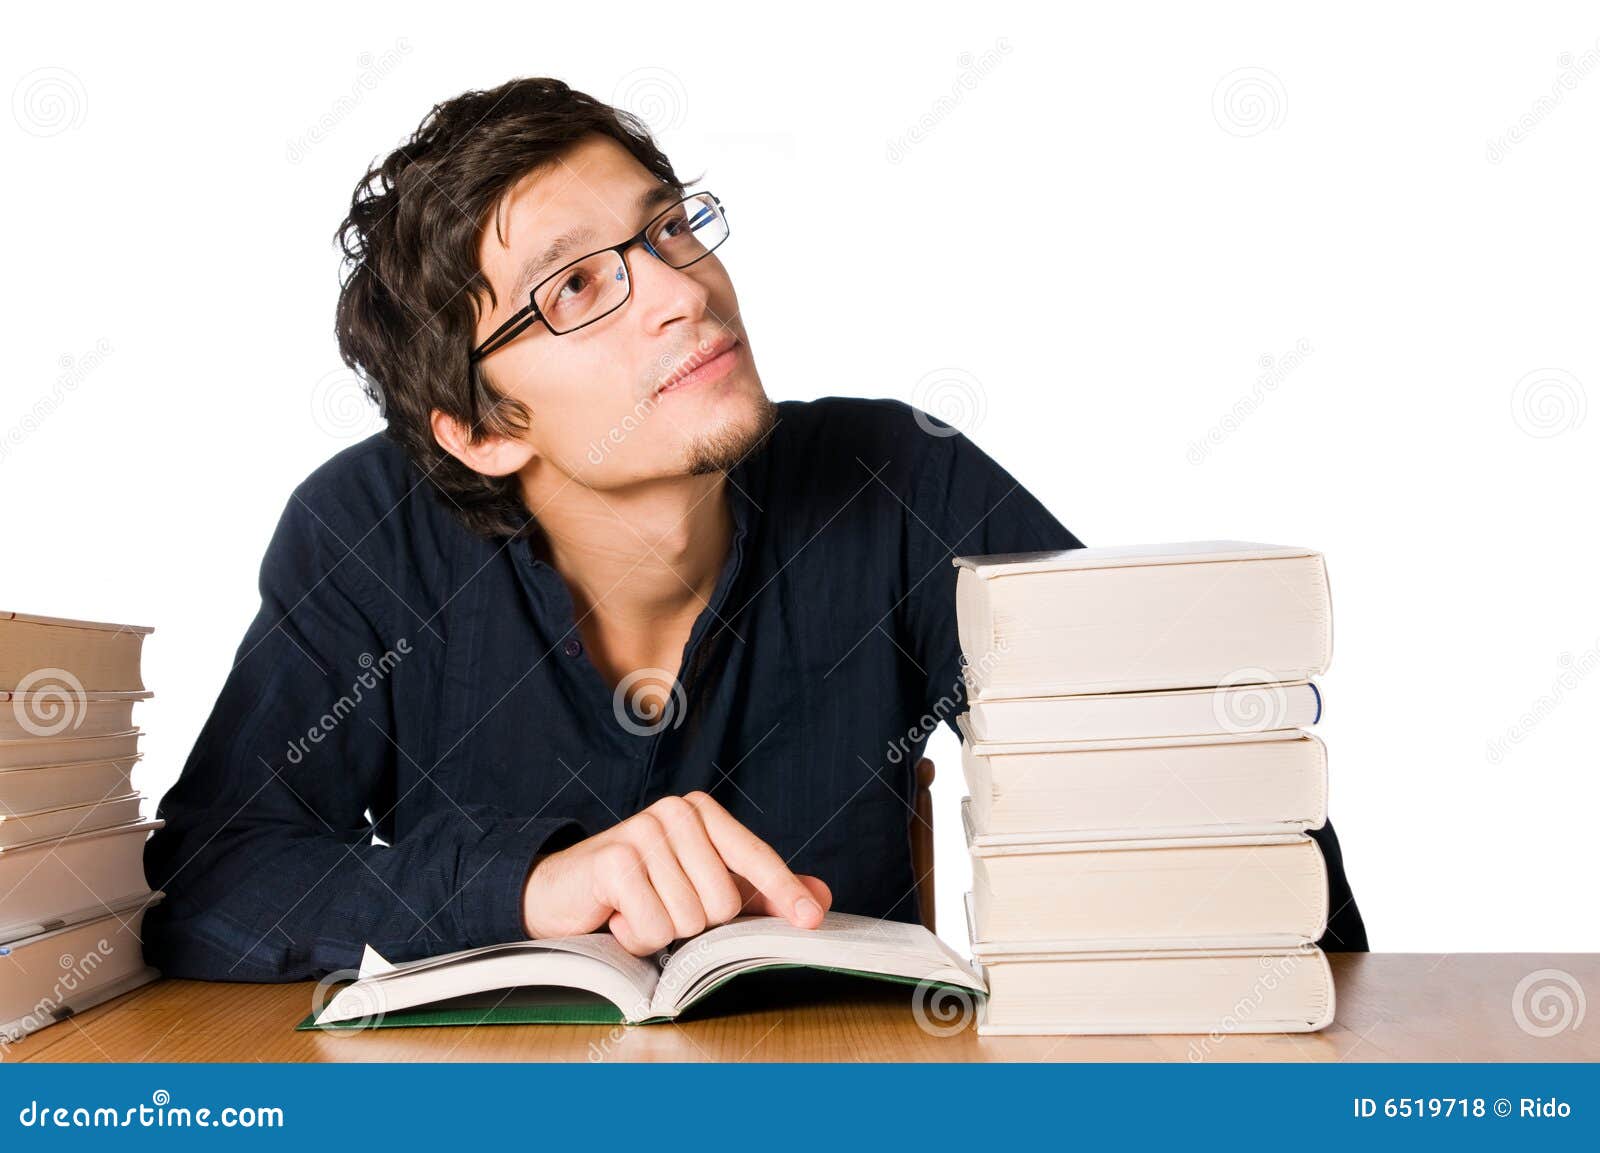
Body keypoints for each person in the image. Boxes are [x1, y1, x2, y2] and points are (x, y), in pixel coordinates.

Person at [142, 77, 1366, 980]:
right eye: (576, 286)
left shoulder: (897, 478)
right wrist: (533, 881)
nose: (683, 290)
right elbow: (208, 882)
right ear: (479, 426)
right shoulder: (367, 532)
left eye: (668, 228)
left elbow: (1189, 787)